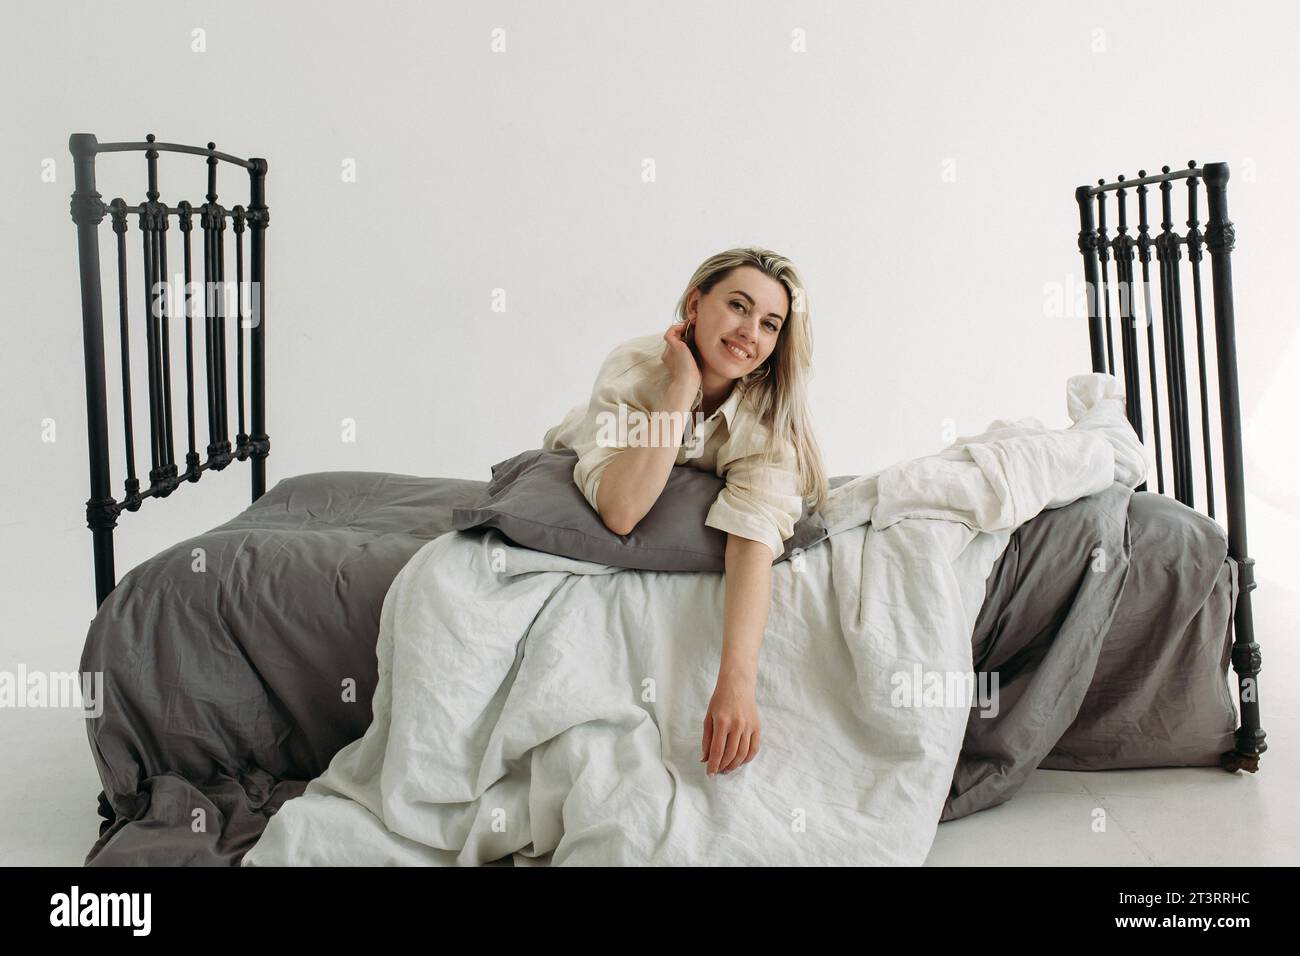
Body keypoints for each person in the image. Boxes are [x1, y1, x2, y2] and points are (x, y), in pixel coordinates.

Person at [542, 246, 828, 779]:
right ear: (695, 304)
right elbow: (622, 512)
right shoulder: (635, 368)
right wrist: (682, 388)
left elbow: (750, 541)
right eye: (738, 306)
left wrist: (736, 684)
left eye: (770, 323)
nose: (750, 332)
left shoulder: (768, 413)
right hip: (594, 445)